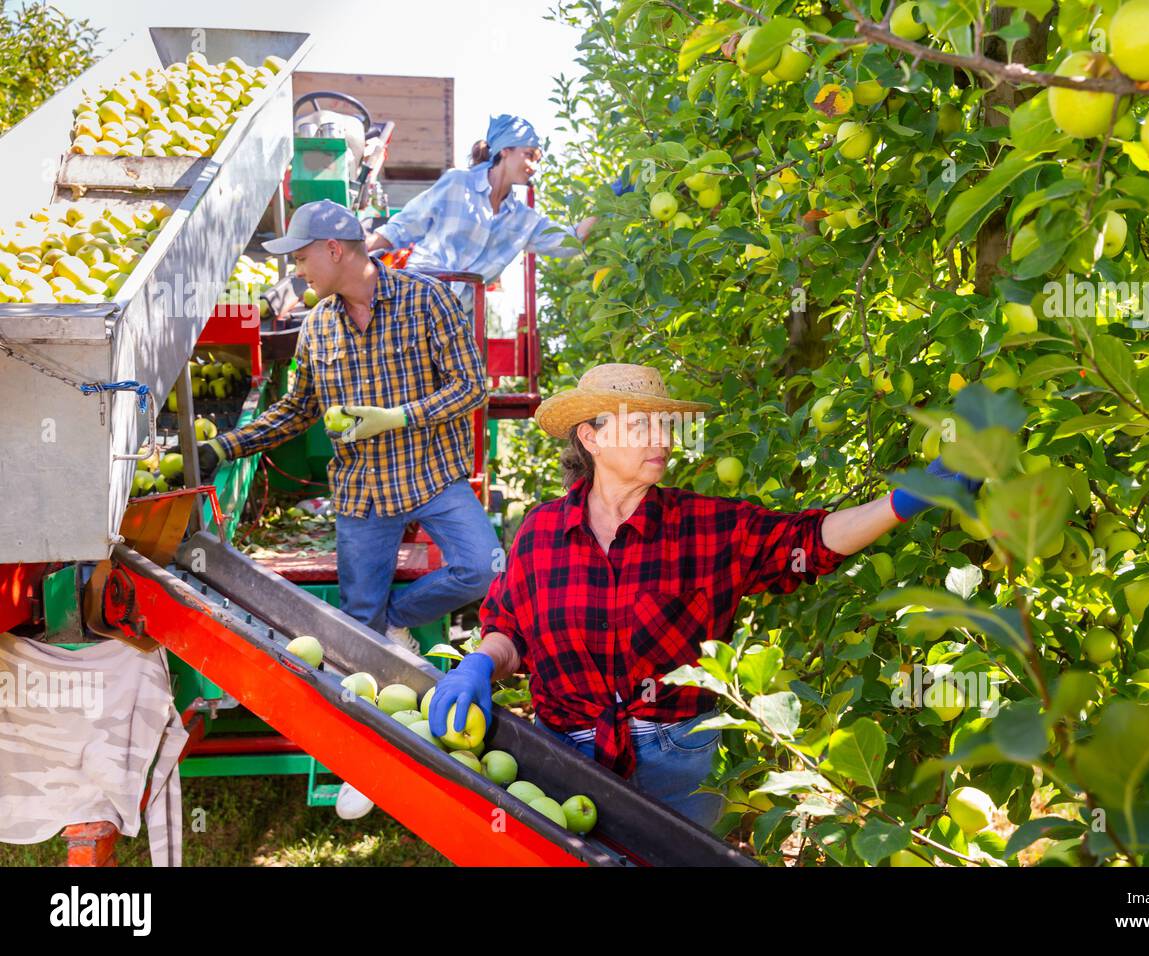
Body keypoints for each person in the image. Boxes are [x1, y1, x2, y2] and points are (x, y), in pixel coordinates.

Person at [425, 363, 980, 829]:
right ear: (590, 437)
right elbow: (511, 630)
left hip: (679, 755)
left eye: (664, 426)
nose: (662, 440)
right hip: (567, 752)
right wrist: (479, 662)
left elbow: (810, 542)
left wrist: (902, 503)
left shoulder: (707, 526)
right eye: (640, 425)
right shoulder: (541, 530)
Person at [198, 200, 498, 650]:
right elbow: (299, 409)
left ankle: (396, 619)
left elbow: (472, 386)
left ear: (334, 249)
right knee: (360, 625)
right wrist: (225, 447)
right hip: (364, 490)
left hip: (432, 476)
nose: (298, 271)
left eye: (301, 258)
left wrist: (396, 418)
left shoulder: (427, 300)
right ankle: (377, 661)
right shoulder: (318, 325)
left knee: (484, 568)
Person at [366, 113, 597, 317]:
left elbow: (570, 242)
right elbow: (404, 226)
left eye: (537, 160)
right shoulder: (458, 184)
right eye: (529, 155)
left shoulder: (523, 220)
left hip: (461, 314)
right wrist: (358, 247)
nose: (533, 167)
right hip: (419, 299)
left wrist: (609, 202)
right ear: (505, 151)